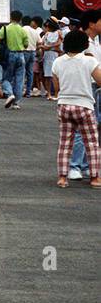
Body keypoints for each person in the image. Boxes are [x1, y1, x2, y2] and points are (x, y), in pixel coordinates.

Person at [53, 29, 101, 188]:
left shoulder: (58, 62)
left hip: (64, 105)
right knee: (92, 143)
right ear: (85, 45)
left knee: (65, 143)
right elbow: (99, 81)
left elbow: (57, 86)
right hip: (84, 105)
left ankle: (62, 178)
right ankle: (94, 178)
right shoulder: (89, 61)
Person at [0, 10, 30, 109]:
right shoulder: (22, 30)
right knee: (19, 79)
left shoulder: (5, 29)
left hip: (9, 55)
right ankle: (16, 103)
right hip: (21, 55)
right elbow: (26, 44)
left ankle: (10, 93)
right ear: (20, 19)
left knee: (6, 78)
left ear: (11, 17)